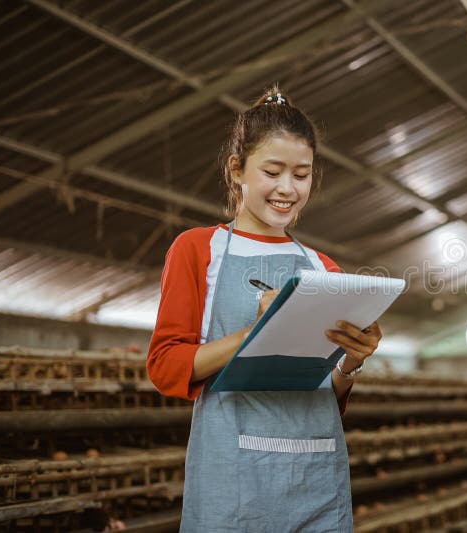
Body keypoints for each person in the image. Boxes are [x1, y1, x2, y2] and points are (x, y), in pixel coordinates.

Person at [146, 86, 382, 532]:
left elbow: (322, 387)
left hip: (316, 473)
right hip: (233, 476)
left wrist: (352, 359)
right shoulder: (199, 249)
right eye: (272, 171)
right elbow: (164, 365)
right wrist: (256, 332)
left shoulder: (322, 266)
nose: (288, 189)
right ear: (237, 170)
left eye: (302, 174)